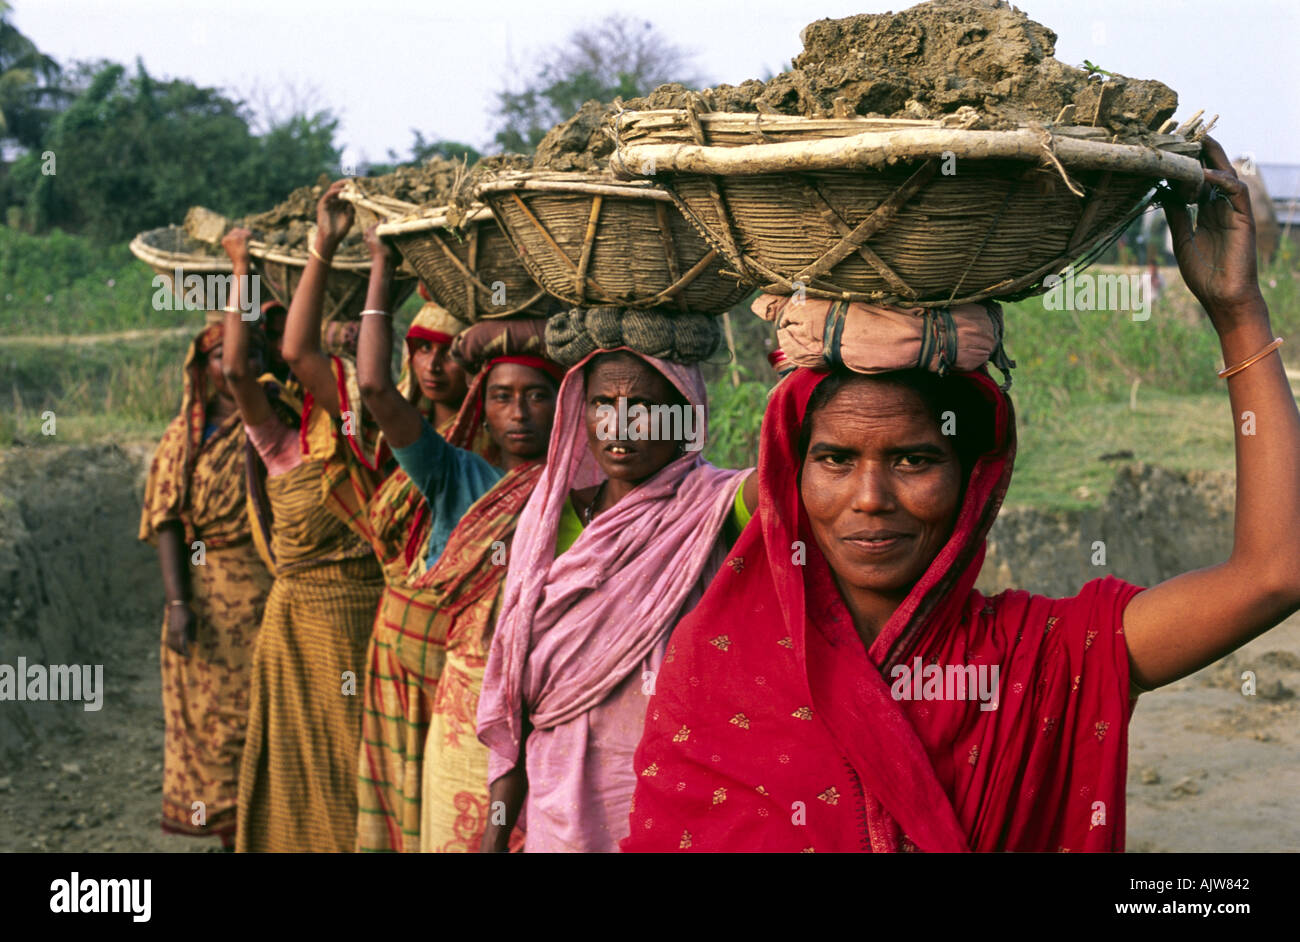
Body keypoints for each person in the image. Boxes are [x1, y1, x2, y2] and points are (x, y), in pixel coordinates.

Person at [622, 139, 1300, 852]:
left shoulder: (1042, 659)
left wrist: (1237, 310)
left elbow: (1274, 574)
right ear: (791, 474)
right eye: (835, 458)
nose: (870, 496)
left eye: (914, 459)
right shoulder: (717, 663)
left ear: (974, 477)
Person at [476, 309, 759, 853]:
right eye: (604, 404)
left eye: (646, 409)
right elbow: (518, 694)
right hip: (557, 809)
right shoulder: (548, 522)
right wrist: (494, 834)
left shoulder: (719, 507)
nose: (620, 427)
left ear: (687, 415)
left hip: (674, 799)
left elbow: (794, 475)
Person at [355, 240, 563, 851]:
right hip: (465, 698)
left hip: (550, 699)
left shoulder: (585, 490)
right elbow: (373, 386)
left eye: (537, 394)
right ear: (482, 404)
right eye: (502, 396)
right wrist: (381, 270)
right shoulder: (456, 474)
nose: (518, 412)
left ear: (564, 402)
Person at [298, 213, 482, 854]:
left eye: (450, 353)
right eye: (421, 348)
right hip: (393, 648)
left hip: (465, 659)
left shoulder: (496, 453)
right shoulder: (400, 443)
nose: (434, 366)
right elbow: (308, 359)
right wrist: (343, 250)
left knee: (449, 803)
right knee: (395, 798)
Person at [225, 207, 387, 853]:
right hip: (298, 630)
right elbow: (241, 368)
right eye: (332, 363)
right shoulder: (279, 441)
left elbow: (361, 372)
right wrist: (244, 268)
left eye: (349, 360)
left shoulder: (375, 445)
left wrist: (380, 262)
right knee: (301, 766)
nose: (341, 373)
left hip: (369, 624)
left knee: (360, 765)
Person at [139, 319, 273, 848]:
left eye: (250, 356)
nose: (238, 366)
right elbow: (166, 518)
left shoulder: (275, 423)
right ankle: (230, 834)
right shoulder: (185, 438)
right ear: (203, 368)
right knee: (216, 727)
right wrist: (178, 602)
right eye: (221, 357)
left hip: (268, 596)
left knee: (267, 719)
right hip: (207, 605)